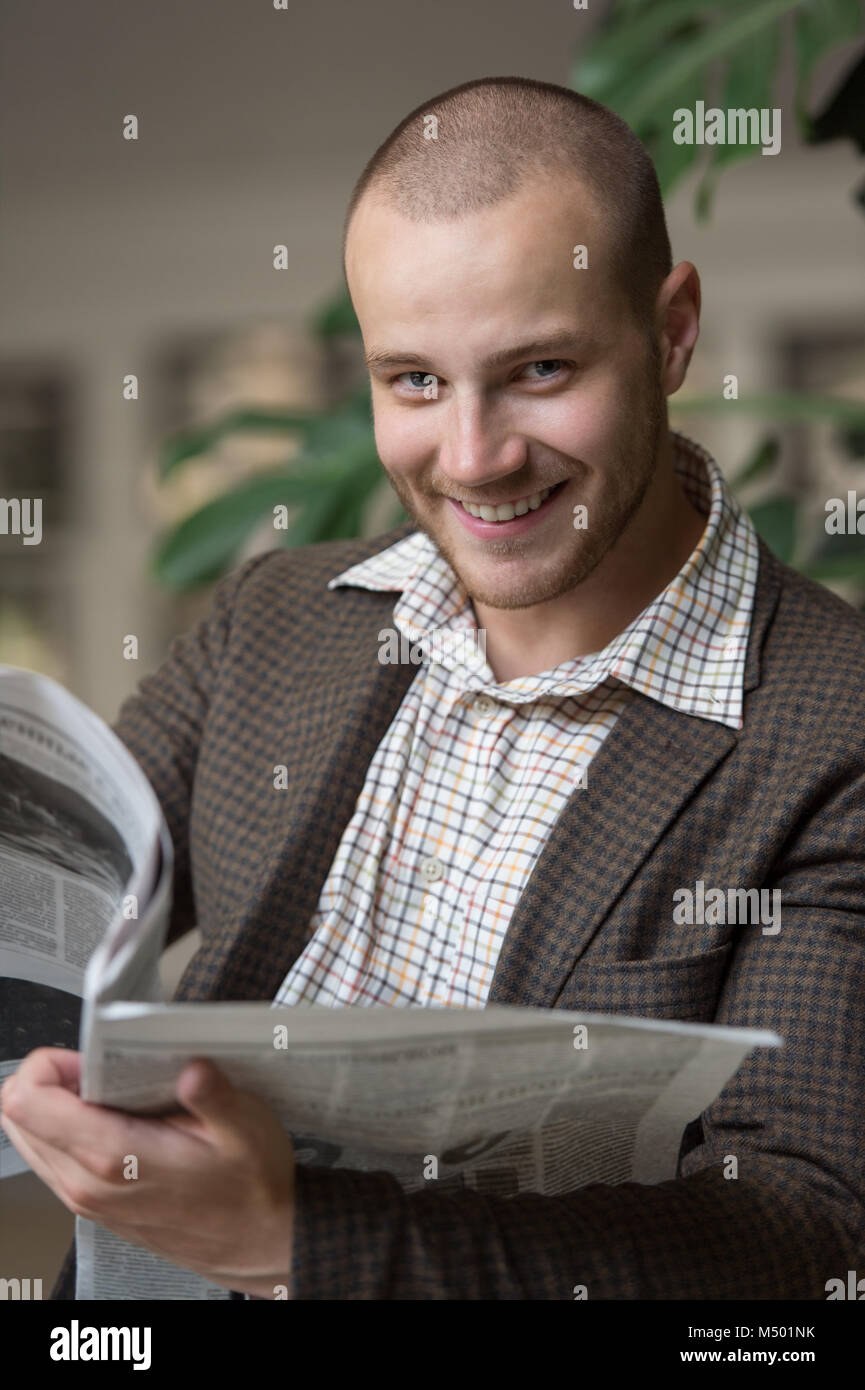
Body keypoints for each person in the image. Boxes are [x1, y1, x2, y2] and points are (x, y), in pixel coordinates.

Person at [3, 76, 864, 1301]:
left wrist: (291, 1240)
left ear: (671, 329)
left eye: (539, 368)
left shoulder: (835, 726)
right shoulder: (279, 618)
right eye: (413, 381)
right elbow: (62, 907)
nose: (473, 458)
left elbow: (798, 1233)